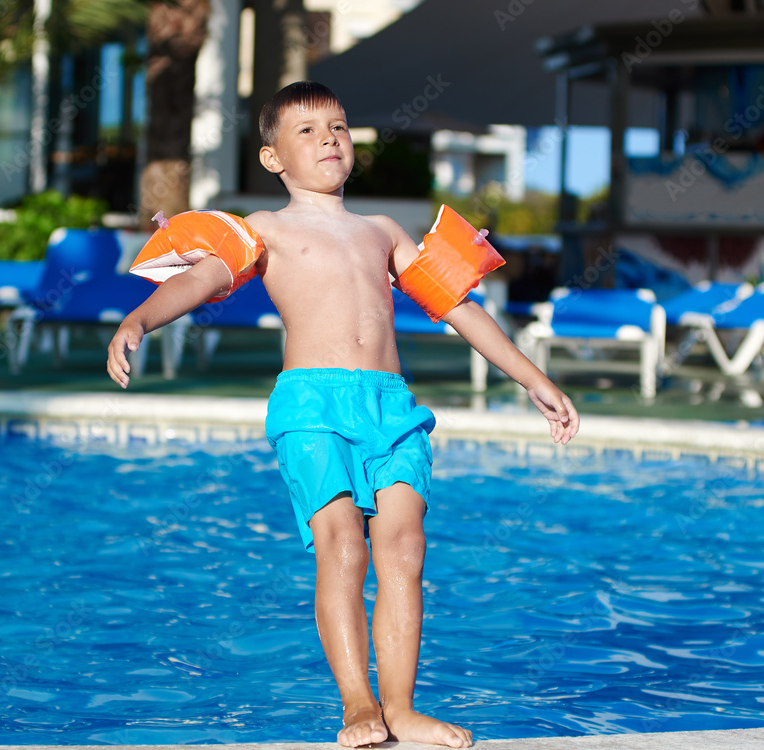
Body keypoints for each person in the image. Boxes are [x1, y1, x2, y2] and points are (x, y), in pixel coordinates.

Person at [107, 81, 580, 748]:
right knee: (343, 548)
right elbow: (200, 278)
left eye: (338, 126)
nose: (329, 138)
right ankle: (358, 704)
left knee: (405, 547)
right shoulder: (262, 229)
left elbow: (458, 307)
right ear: (272, 158)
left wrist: (533, 378)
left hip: (391, 404)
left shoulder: (382, 232)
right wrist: (139, 319)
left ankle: (402, 708)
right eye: (307, 130)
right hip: (311, 404)